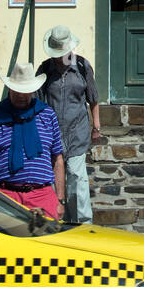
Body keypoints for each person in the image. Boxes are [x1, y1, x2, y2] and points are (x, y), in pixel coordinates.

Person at [0, 62, 65, 220]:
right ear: (10, 88)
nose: (22, 96)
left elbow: (57, 159)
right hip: (5, 196)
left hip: (42, 196)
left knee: (46, 241)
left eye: (26, 92)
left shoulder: (47, 114)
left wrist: (60, 199)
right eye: (17, 91)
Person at [36, 25, 100, 224]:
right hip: (51, 132)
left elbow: (93, 99)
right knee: (53, 177)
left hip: (77, 130)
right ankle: (57, 219)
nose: (59, 56)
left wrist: (96, 127)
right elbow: (37, 101)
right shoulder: (45, 69)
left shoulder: (82, 66)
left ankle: (82, 222)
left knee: (76, 175)